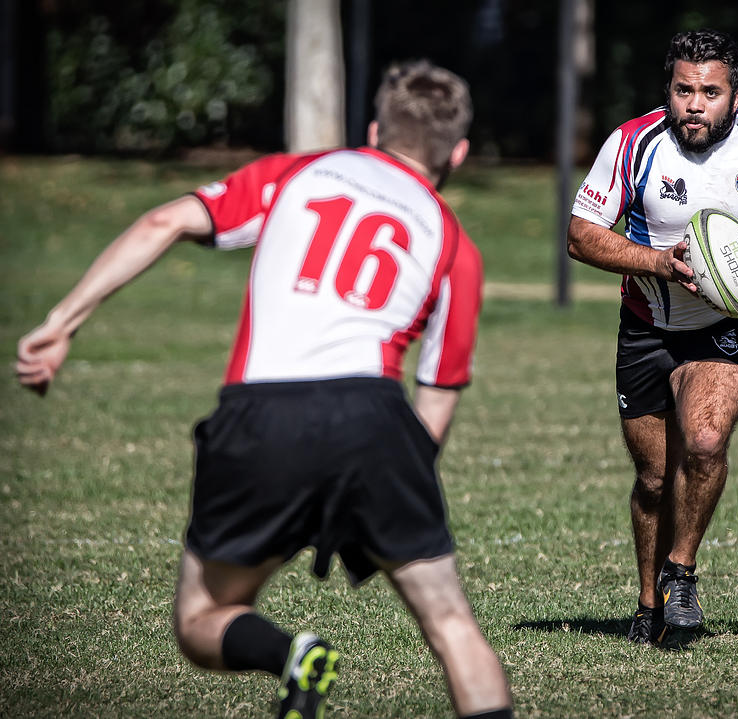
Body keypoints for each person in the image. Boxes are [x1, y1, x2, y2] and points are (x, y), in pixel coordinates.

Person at [16, 60, 514, 719]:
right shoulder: (455, 244)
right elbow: (438, 393)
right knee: (452, 625)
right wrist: (394, 484)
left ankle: (292, 653)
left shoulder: (295, 175)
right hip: (374, 419)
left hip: (262, 414)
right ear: (458, 153)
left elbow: (162, 224)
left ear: (372, 129)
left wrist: (61, 322)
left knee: (202, 615)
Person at [567, 29, 738, 645]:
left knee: (705, 441)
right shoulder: (633, 142)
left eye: (710, 92)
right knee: (654, 480)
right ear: (668, 91)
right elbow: (581, 235)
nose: (695, 104)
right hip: (645, 329)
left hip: (726, 328)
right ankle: (649, 606)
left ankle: (683, 571)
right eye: (684, 90)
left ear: (735, 97)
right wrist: (660, 263)